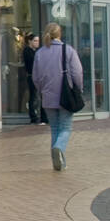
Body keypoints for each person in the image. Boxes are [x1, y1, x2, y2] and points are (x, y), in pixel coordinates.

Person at [31, 23, 84, 171]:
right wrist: (78, 89)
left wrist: (43, 90)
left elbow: (35, 77)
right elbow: (77, 73)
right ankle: (59, 148)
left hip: (48, 97)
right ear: (59, 34)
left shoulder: (40, 53)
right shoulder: (68, 50)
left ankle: (59, 162)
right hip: (66, 96)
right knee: (65, 128)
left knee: (54, 128)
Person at [22, 33, 48, 124]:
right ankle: (34, 117)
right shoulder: (27, 51)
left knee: (39, 96)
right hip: (32, 76)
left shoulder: (36, 51)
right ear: (30, 41)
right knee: (33, 96)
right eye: (35, 41)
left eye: (38, 41)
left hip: (38, 76)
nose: (37, 43)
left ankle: (41, 116)